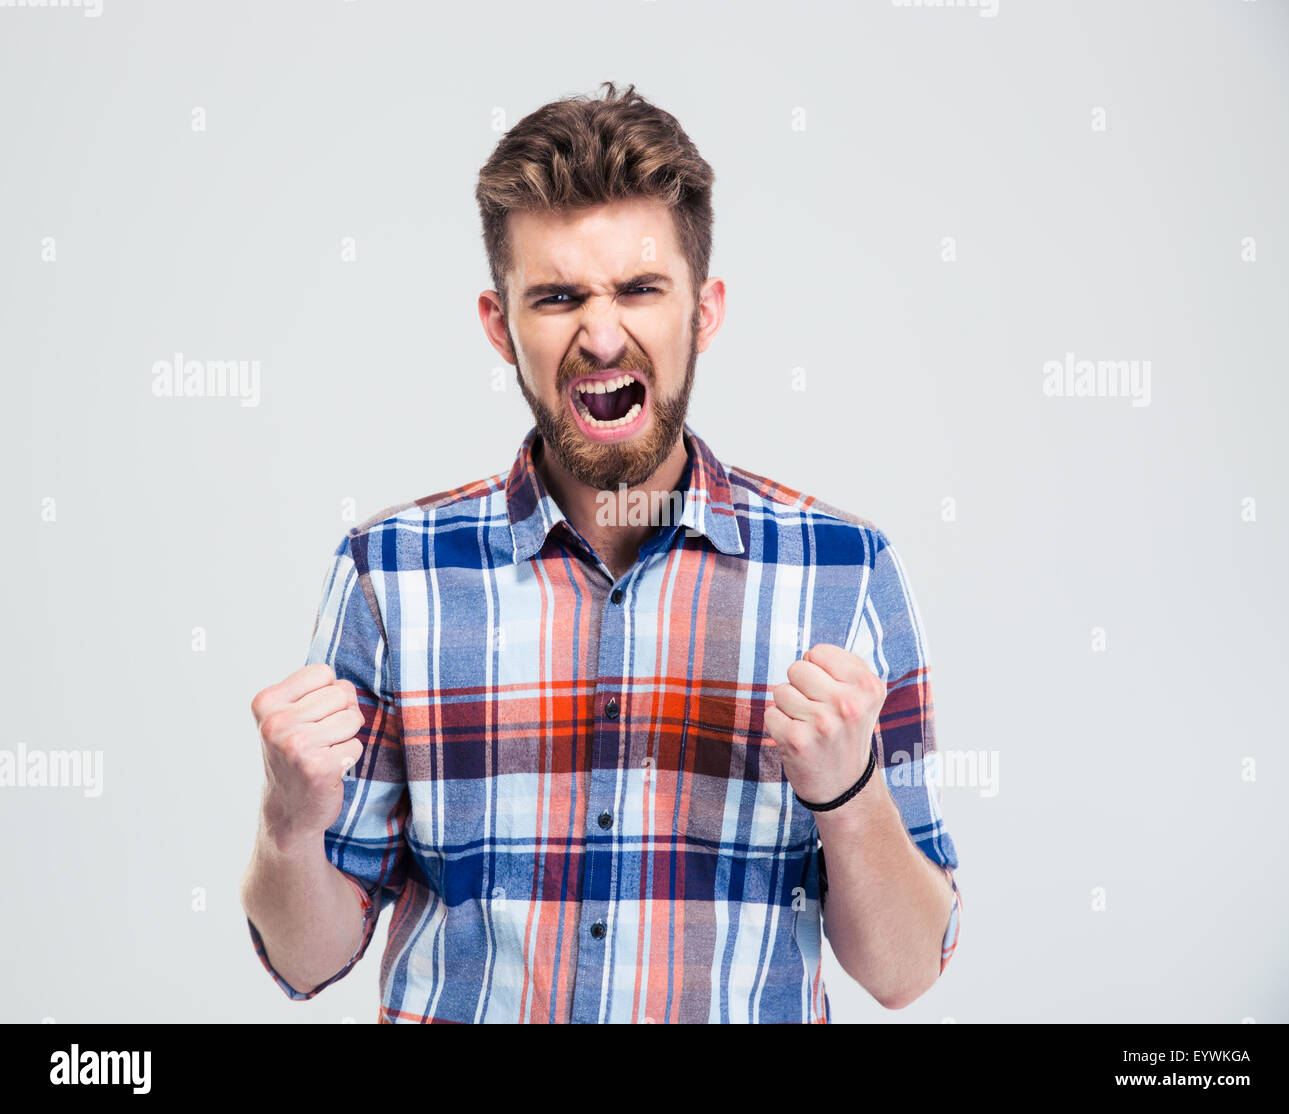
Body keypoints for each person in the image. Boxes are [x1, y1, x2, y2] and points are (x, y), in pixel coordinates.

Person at [239, 81, 962, 1023]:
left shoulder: (844, 571)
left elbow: (905, 970)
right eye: (558, 296)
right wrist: (289, 825)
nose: (602, 332)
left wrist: (850, 792)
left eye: (639, 289)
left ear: (703, 312)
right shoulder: (391, 574)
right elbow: (305, 959)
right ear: (501, 327)